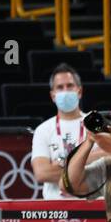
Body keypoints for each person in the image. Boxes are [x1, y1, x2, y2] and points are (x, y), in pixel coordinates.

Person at [30, 64, 87, 201]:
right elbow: (42, 173)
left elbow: (106, 165)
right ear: (53, 95)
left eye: (70, 86)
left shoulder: (95, 123)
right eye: (60, 87)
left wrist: (60, 163)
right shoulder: (43, 130)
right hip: (55, 208)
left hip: (92, 206)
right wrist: (85, 162)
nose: (65, 91)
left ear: (79, 91)